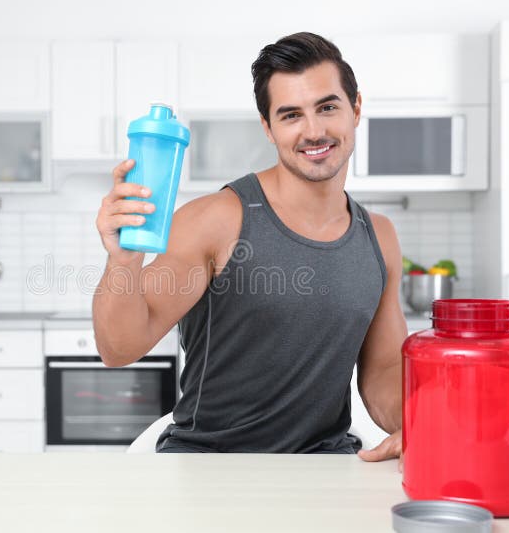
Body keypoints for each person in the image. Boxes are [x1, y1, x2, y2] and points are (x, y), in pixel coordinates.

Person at [93, 32, 404, 465]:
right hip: (211, 465)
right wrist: (122, 259)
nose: (314, 131)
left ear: (355, 109)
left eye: (327, 107)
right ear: (269, 128)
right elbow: (118, 348)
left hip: (325, 463)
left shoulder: (380, 237)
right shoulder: (216, 220)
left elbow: (385, 371)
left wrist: (417, 422)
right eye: (291, 114)